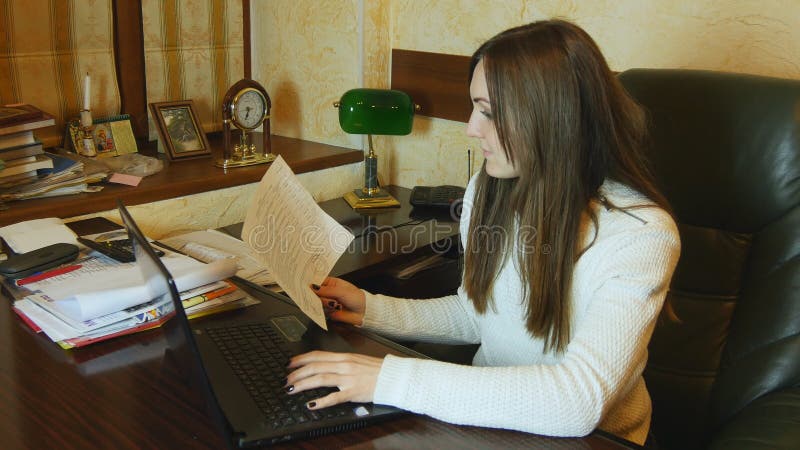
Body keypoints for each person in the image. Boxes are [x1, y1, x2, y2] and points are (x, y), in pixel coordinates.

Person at [285, 19, 680, 445]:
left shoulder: (641, 235)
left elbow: (577, 401)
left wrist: (391, 378)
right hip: (489, 421)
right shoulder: (488, 191)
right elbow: (479, 315)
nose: (472, 127)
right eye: (474, 107)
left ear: (550, 117)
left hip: (592, 440)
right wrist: (370, 309)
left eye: (489, 112)